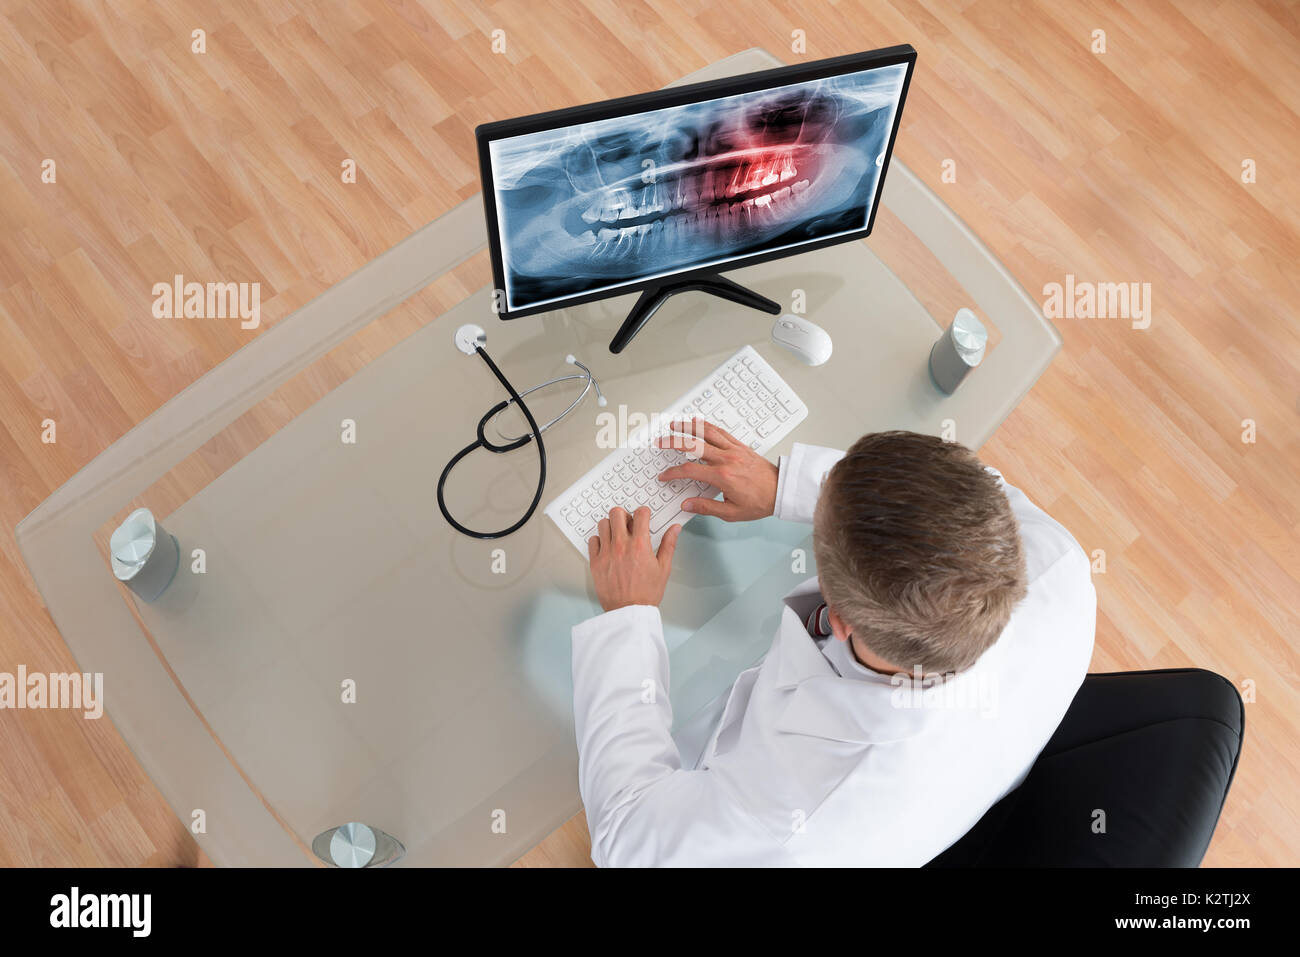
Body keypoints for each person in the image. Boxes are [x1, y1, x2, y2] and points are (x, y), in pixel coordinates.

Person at [572, 421, 1096, 866]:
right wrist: (787, 485)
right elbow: (979, 490)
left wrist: (628, 619)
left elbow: (624, 833)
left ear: (840, 620)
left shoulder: (791, 808)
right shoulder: (1060, 563)